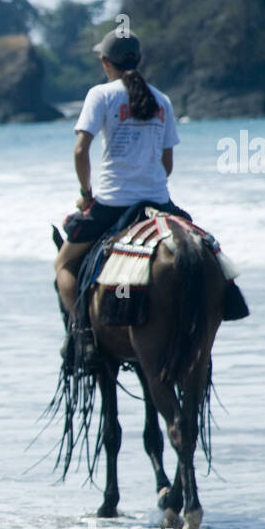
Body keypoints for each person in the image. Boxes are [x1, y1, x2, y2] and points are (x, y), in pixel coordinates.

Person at [54, 29, 191, 367]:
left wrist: (86, 195)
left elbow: (80, 150)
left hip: (113, 204)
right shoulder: (163, 100)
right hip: (158, 204)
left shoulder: (100, 95)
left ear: (105, 62)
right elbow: (167, 164)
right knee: (197, 245)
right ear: (138, 61)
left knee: (64, 264)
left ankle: (83, 333)